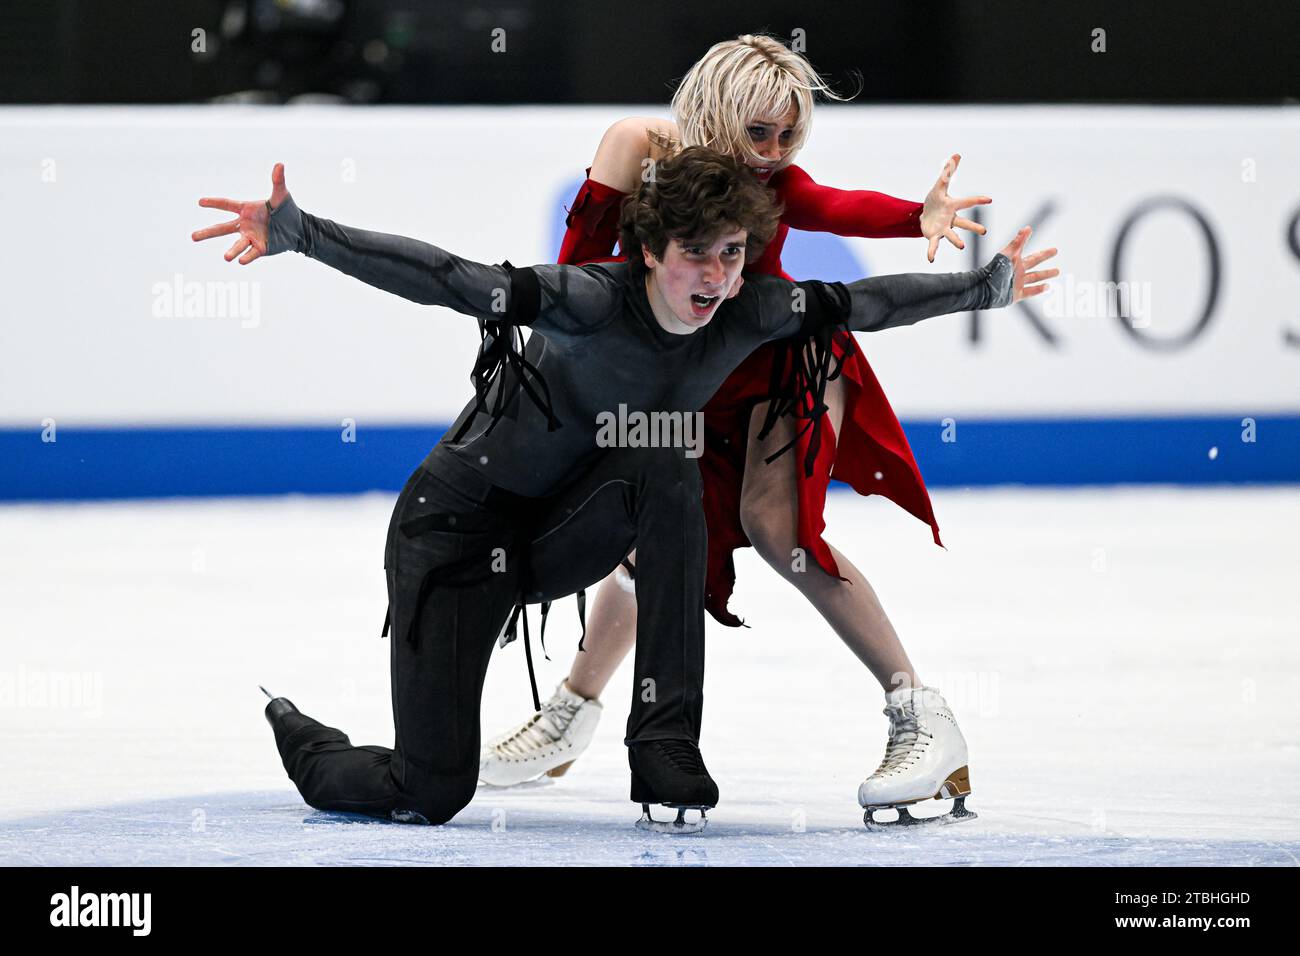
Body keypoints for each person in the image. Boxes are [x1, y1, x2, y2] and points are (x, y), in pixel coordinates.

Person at [192, 147, 1055, 828]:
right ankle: (304, 738)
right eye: (695, 254)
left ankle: (666, 746)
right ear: (649, 249)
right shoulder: (586, 299)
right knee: (429, 792)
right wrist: (303, 233)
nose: (715, 275)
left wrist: (984, 286)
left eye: (731, 252)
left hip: (562, 535)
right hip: (454, 535)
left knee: (664, 459)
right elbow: (448, 278)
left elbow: (865, 303)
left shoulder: (751, 310)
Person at [479, 35, 996, 825]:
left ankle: (922, 716)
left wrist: (912, 217)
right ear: (716, 111)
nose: (774, 152)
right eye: (759, 132)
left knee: (781, 529)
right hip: (692, 377)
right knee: (646, 540)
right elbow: (577, 271)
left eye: (789, 135)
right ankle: (571, 716)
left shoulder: (776, 183)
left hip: (787, 361)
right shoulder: (639, 149)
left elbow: (833, 204)